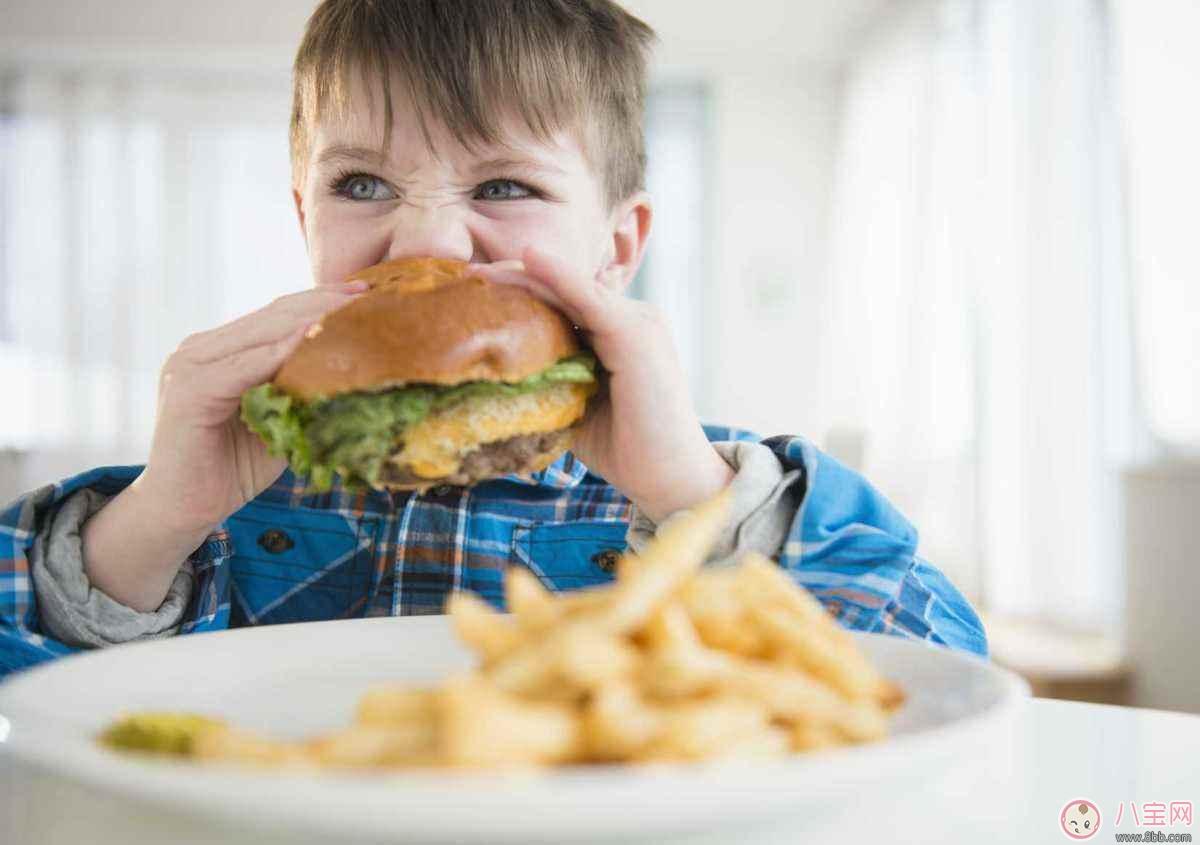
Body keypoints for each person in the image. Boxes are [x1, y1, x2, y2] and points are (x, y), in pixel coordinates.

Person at [0, 0, 985, 679]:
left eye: (504, 187)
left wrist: (695, 501)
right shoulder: (216, 499)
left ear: (616, 245)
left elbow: (940, 674)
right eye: (362, 184)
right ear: (305, 218)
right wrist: (153, 518)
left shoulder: (702, 480)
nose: (426, 240)